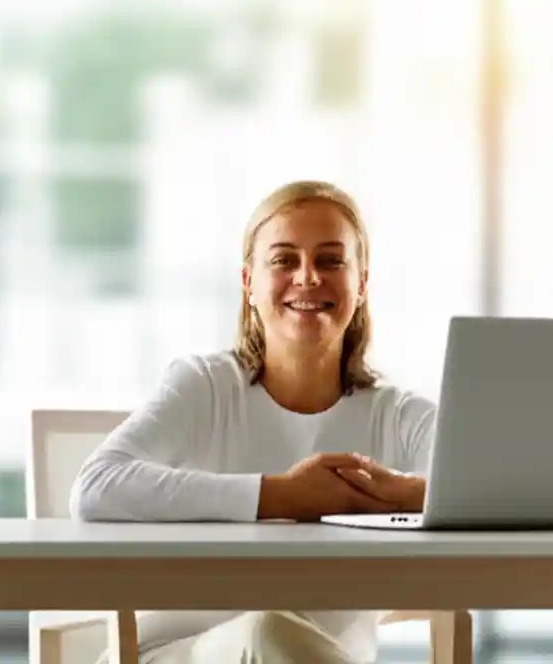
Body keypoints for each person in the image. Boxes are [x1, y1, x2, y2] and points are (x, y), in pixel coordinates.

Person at [71, 180, 437, 664]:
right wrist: (284, 495)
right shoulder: (204, 386)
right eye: (284, 260)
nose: (307, 277)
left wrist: (408, 496)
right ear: (249, 282)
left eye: (330, 260)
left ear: (362, 283)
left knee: (280, 637)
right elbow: (96, 486)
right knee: (267, 631)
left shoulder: (399, 415)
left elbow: (496, 491)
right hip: (174, 654)